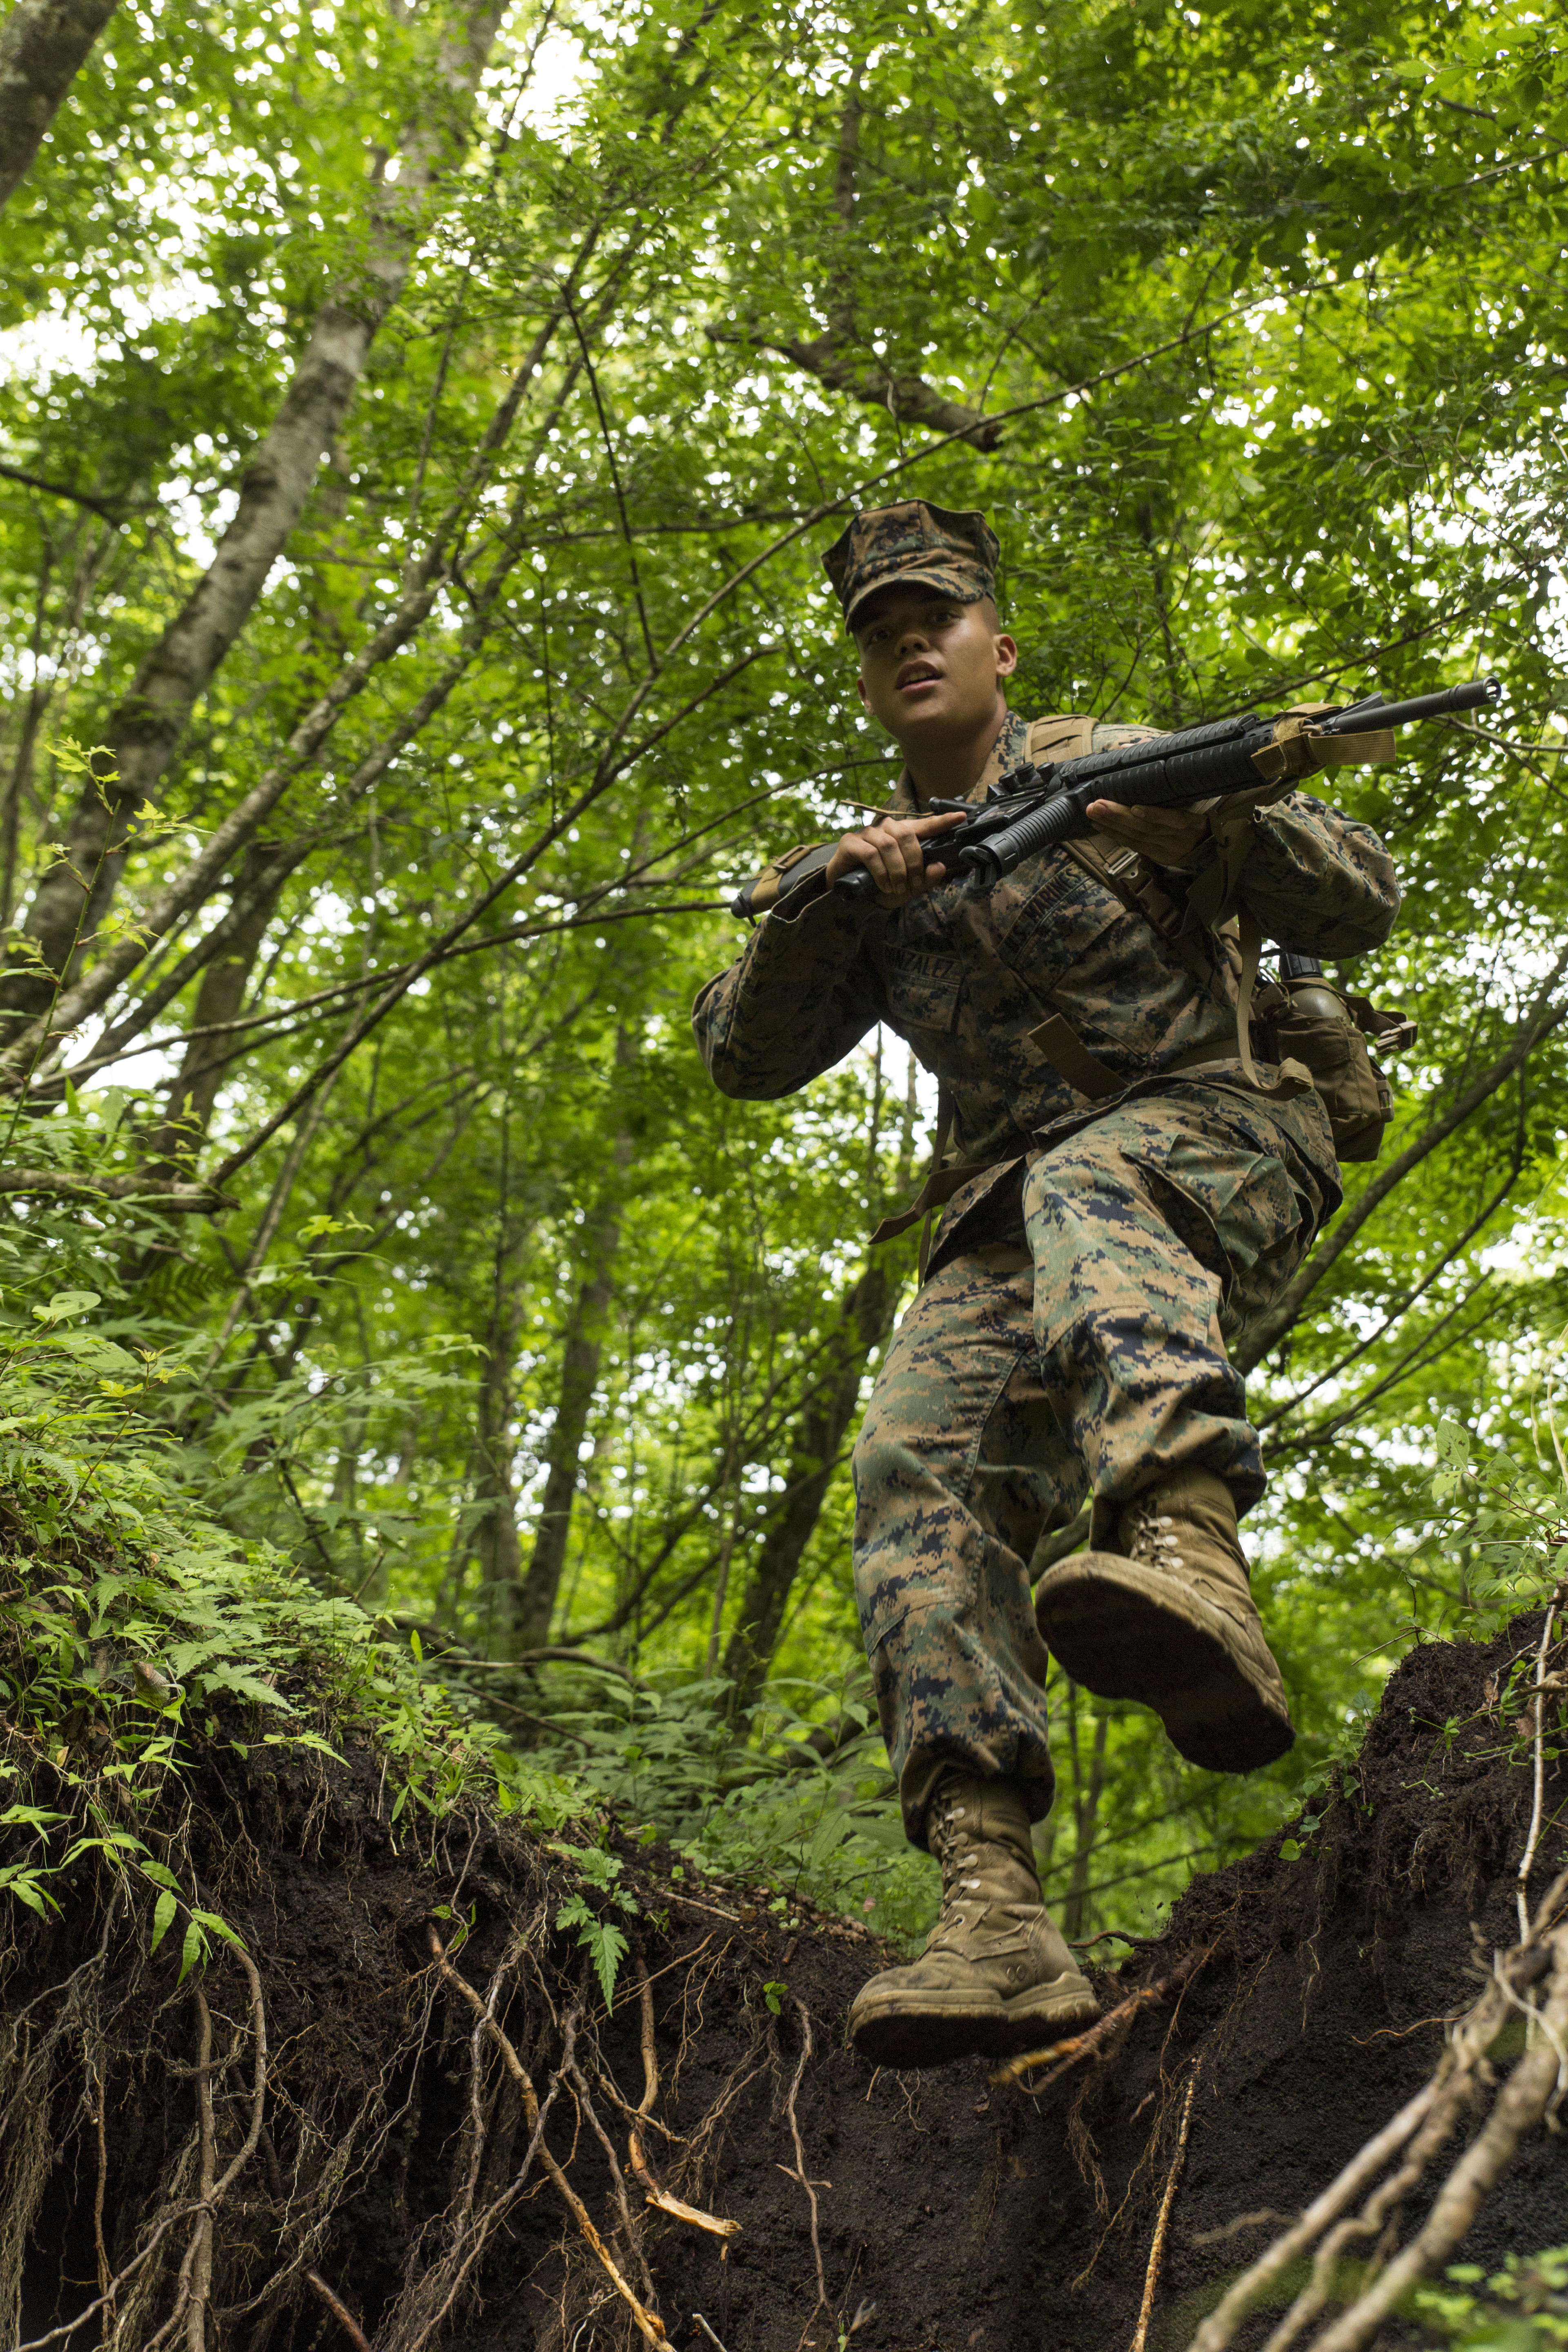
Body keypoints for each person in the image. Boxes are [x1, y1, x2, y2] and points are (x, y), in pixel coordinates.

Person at [690, 501, 1400, 2069]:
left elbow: (1359, 893)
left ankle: (1189, 1548)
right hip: (1023, 1218)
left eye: (933, 617)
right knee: (912, 1459)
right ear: (870, 682)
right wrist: (833, 907)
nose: (908, 644)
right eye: (880, 633)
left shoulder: (1120, 762)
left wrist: (1204, 828)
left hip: (1220, 1140)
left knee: (1095, 1176)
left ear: (996, 649)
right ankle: (994, 1913)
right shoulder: (865, 869)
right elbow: (742, 1056)